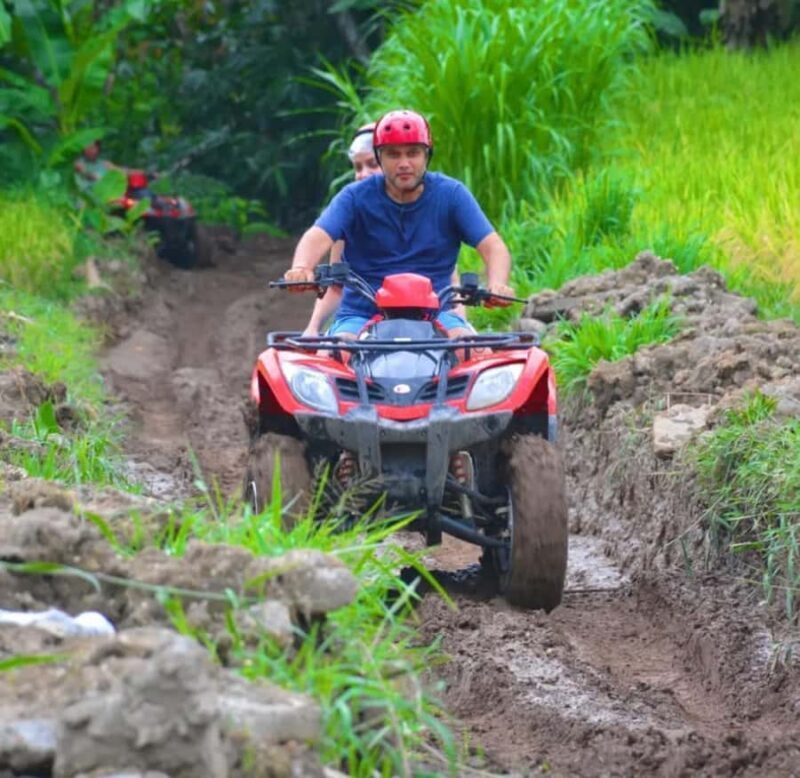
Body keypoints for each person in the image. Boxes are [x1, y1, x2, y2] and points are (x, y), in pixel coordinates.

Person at [285, 109, 514, 339]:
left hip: (436, 313)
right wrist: (302, 268)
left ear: (427, 156)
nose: (404, 163)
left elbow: (493, 246)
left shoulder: (452, 195)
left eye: (413, 153)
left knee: (466, 349)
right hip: (360, 314)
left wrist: (498, 284)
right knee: (339, 353)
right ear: (380, 158)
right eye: (393, 154)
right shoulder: (353, 197)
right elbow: (317, 235)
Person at [304, 121, 468, 337]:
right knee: (337, 350)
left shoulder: (436, 203)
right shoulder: (350, 209)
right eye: (357, 168)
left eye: (371, 165)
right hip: (365, 318)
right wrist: (313, 327)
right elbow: (336, 284)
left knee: (468, 347)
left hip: (428, 316)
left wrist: (459, 325)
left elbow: (451, 283)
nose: (363, 174)